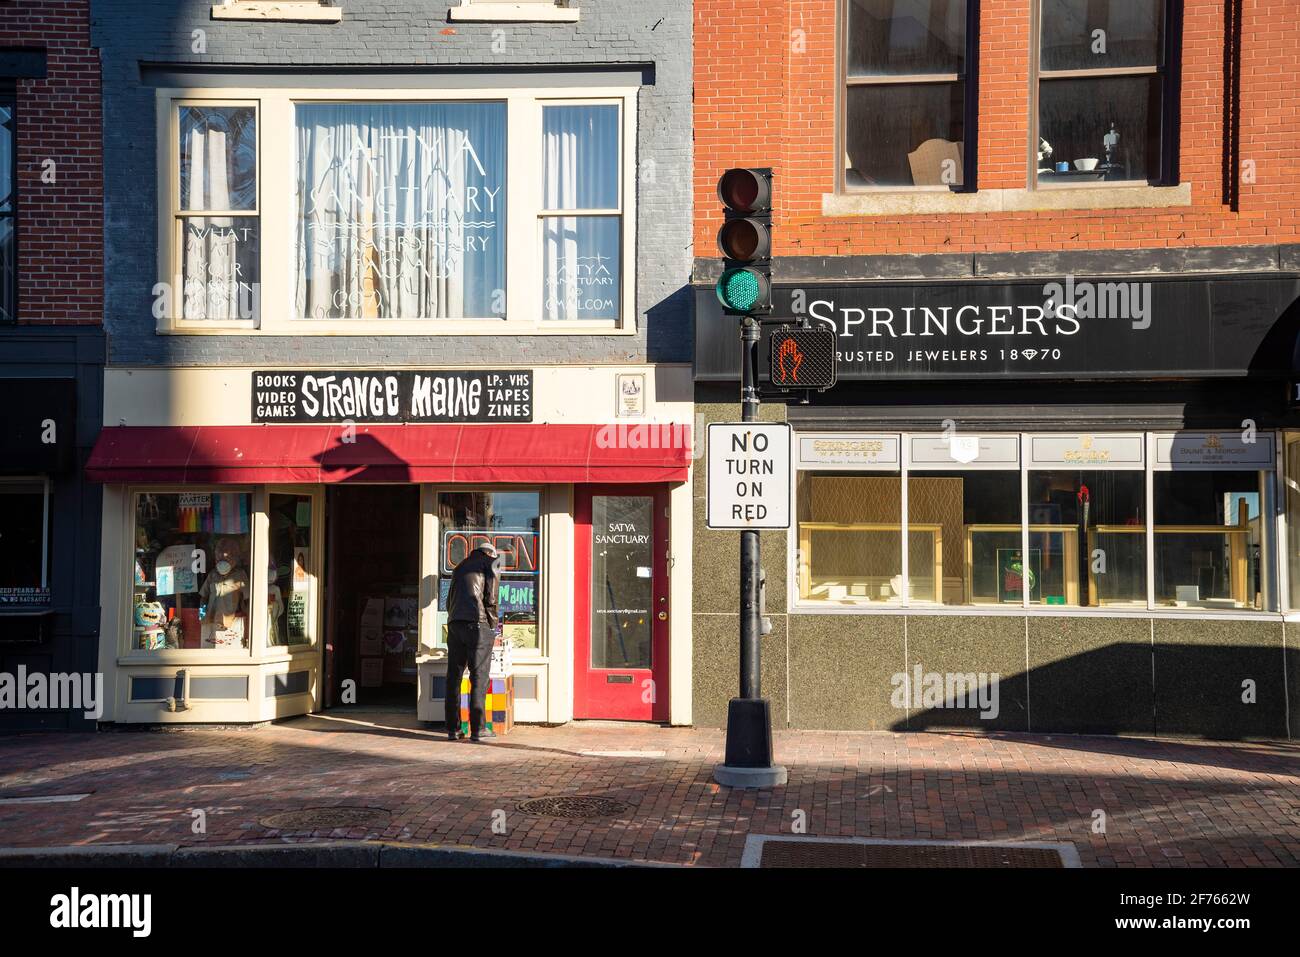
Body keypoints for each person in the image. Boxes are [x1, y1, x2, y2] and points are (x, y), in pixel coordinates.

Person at [444, 542, 501, 742]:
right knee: (479, 677)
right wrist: (493, 627)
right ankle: (478, 729)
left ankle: (453, 729)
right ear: (490, 553)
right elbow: (491, 599)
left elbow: (448, 600)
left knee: (454, 677)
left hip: (454, 624)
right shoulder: (490, 564)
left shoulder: (459, 567)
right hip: (477, 624)